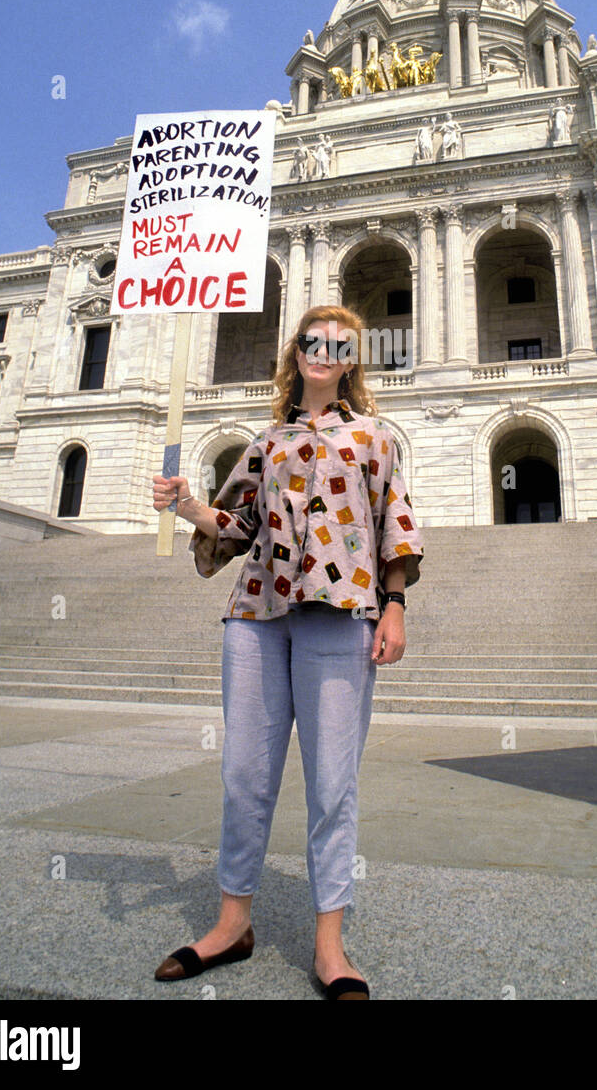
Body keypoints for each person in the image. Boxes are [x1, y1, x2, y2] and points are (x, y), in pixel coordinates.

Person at [151, 304, 424, 1000]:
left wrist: (394, 606)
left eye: (338, 344)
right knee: (244, 775)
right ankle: (230, 923)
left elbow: (395, 524)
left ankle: (330, 945)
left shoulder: (372, 437)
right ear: (296, 353)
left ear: (351, 361)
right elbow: (235, 527)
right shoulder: (266, 441)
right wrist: (185, 505)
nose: (323, 351)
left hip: (340, 614)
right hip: (256, 615)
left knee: (332, 785)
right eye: (312, 341)